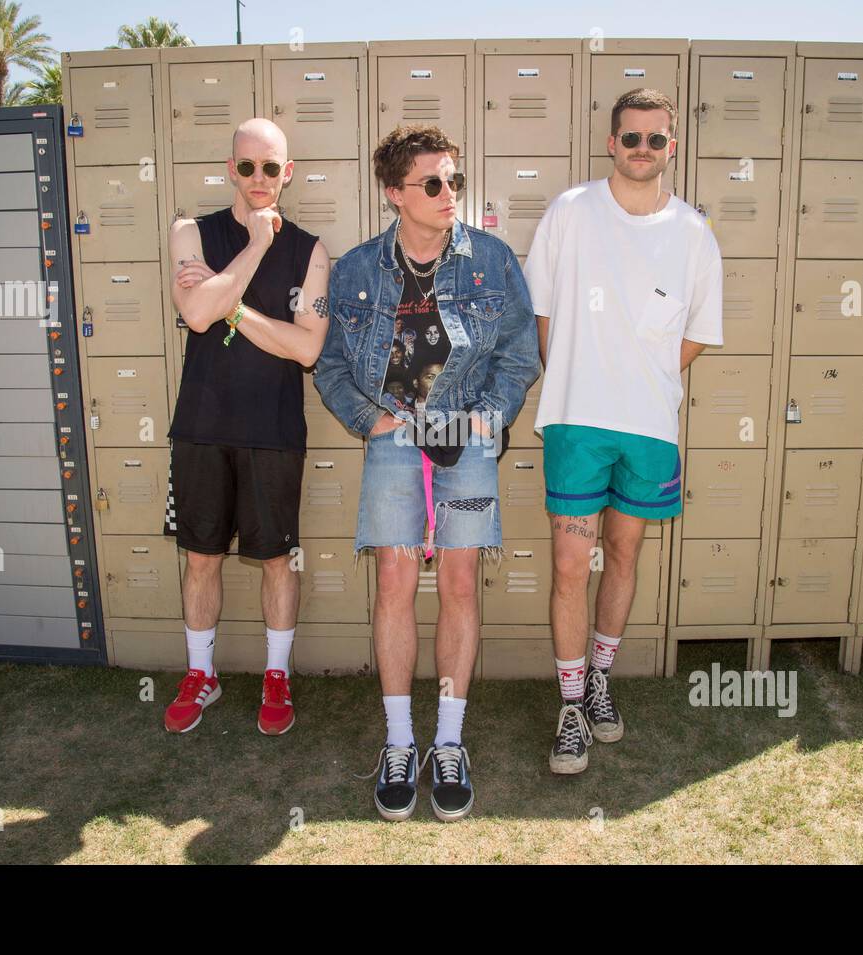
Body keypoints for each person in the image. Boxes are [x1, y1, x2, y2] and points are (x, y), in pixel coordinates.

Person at [314, 124, 540, 821]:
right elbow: (329, 365)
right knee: (394, 581)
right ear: (394, 194)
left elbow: (520, 353)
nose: (450, 195)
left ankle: (448, 740)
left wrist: (489, 416)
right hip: (394, 438)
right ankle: (399, 741)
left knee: (461, 580)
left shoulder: (493, 260)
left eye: (455, 181)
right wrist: (369, 418)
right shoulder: (354, 269)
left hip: (465, 437)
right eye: (433, 183)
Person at [525, 88, 723, 774]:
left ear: (673, 146)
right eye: (631, 138)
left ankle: (601, 682)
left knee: (626, 554)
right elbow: (542, 315)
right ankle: (572, 704)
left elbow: (698, 332)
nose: (644, 150)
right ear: (611, 143)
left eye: (656, 139)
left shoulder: (694, 232)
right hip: (577, 421)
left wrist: (644, 375)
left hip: (647, 427)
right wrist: (584, 374)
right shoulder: (571, 212)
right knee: (570, 563)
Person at [162, 118, 331, 736]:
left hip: (273, 429)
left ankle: (276, 677)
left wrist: (225, 298)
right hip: (202, 426)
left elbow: (308, 350)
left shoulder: (311, 250)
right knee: (200, 555)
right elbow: (195, 315)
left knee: (275, 559)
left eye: (270, 168)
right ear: (230, 168)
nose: (258, 179)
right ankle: (201, 674)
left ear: (287, 173)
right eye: (246, 167)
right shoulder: (191, 231)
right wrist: (256, 246)